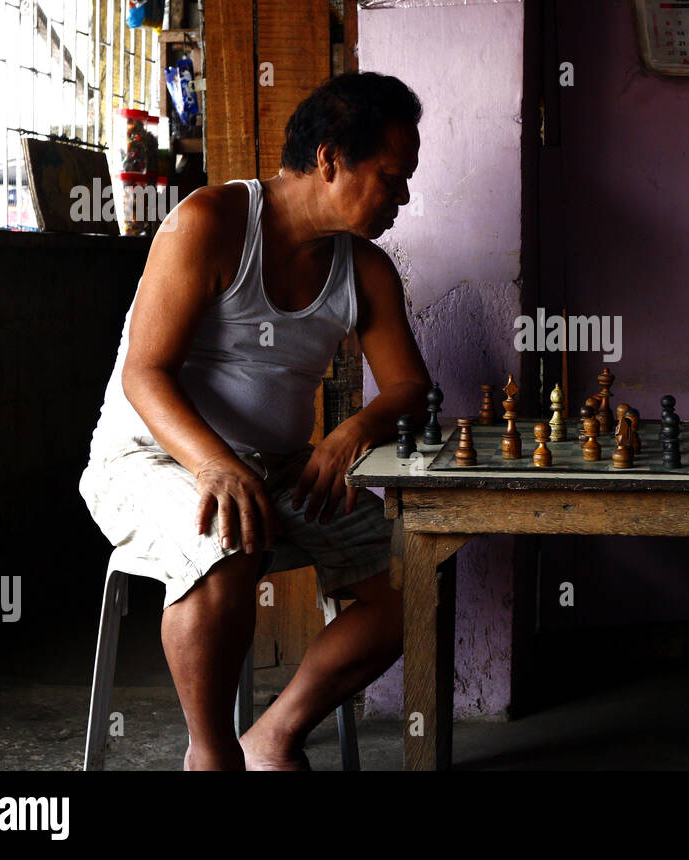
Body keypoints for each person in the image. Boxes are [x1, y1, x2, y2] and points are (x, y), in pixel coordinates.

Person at [80, 71, 430, 770]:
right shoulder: (208, 223)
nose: (405, 196)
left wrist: (352, 431)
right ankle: (211, 757)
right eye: (391, 176)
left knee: (413, 586)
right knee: (226, 541)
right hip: (152, 460)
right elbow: (144, 374)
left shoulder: (365, 270)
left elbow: (410, 388)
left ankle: (274, 733)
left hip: (276, 469)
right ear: (330, 159)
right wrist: (215, 465)